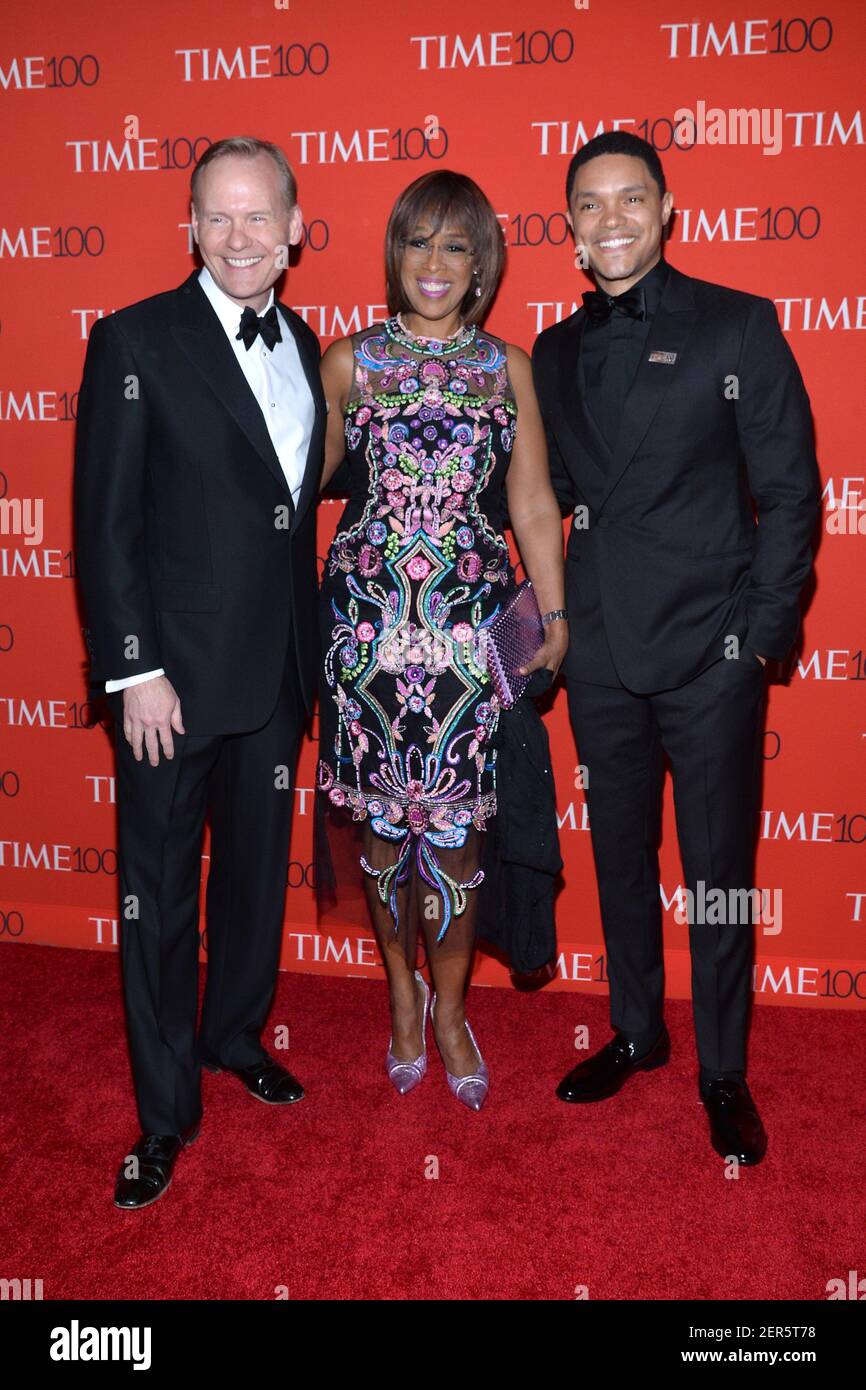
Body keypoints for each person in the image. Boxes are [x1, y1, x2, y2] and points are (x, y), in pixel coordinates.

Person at [531, 131, 819, 1164]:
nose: (609, 220)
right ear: (569, 229)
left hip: (709, 652)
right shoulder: (554, 352)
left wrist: (754, 639)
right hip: (600, 650)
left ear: (665, 210)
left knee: (720, 871)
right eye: (589, 205)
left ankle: (723, 1066)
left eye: (628, 200)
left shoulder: (735, 328)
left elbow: (788, 494)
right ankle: (637, 1030)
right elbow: (549, 498)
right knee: (615, 856)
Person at [74, 136, 325, 1208]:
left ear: (294, 229)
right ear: (188, 226)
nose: (238, 237)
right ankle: (165, 1112)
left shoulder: (307, 341)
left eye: (258, 217)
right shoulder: (133, 339)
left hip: (272, 671)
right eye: (216, 217)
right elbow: (105, 524)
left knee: (256, 879)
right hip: (170, 685)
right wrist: (135, 671)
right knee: (160, 899)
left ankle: (234, 1037)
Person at [316, 170, 567, 1110]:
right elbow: (289, 491)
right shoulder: (348, 363)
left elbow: (535, 503)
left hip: (467, 644)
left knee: (456, 838)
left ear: (481, 265)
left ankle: (453, 1010)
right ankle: (401, 1000)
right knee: (385, 833)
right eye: (417, 241)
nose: (433, 263)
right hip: (369, 637)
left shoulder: (510, 367)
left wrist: (557, 612)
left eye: (455, 246)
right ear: (395, 252)